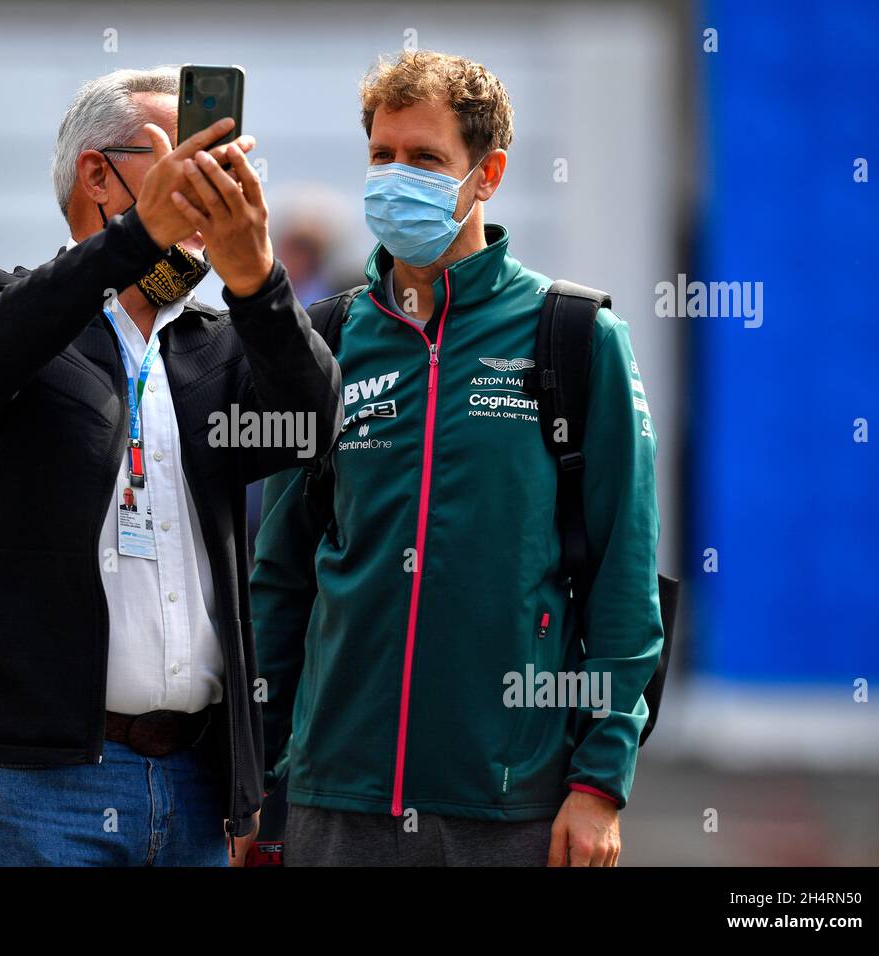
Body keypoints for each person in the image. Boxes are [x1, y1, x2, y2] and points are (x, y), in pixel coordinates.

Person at [0, 67, 341, 867]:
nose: (205, 183)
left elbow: (312, 430)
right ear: (96, 174)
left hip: (192, 782)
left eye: (217, 161)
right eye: (178, 158)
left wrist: (257, 283)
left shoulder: (213, 342)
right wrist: (136, 240)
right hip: (32, 781)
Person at [249, 50, 663, 867]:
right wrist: (255, 784)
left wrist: (599, 785)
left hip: (510, 802)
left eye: (426, 159)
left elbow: (626, 577)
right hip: (334, 799)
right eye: (382, 155)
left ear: (488, 173)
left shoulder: (575, 338)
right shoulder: (324, 343)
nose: (396, 177)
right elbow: (280, 581)